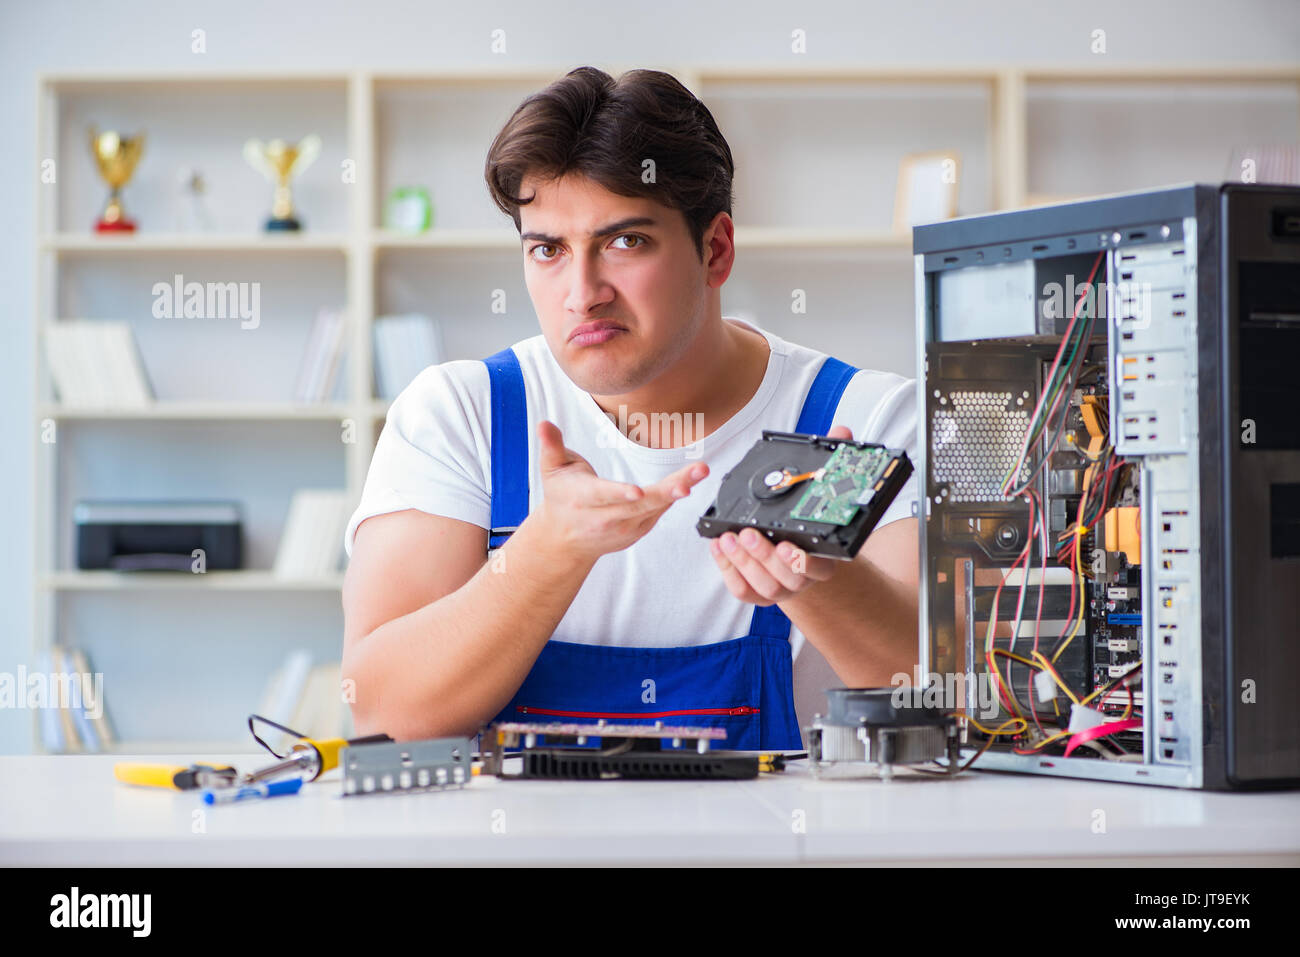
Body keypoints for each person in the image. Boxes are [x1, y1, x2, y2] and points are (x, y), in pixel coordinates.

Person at [341, 66, 920, 749]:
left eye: (625, 242)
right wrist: (545, 552)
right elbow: (379, 709)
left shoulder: (868, 421)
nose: (582, 293)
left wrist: (817, 580)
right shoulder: (461, 416)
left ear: (716, 249)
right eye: (548, 249)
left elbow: (945, 696)